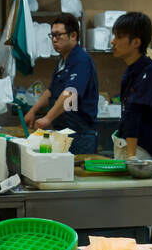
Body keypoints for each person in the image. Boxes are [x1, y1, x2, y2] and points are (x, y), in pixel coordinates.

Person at [24, 12, 98, 155]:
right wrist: (33, 111)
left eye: (58, 35)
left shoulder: (81, 60)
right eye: (52, 35)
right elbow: (51, 91)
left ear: (73, 36)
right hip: (63, 132)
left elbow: (71, 93)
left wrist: (47, 118)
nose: (54, 40)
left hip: (80, 135)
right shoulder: (63, 61)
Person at [111, 11, 152, 174]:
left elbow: (134, 112)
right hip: (130, 149)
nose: (112, 41)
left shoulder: (150, 72)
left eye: (118, 37)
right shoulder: (130, 71)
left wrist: (131, 156)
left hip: (144, 157)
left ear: (136, 42)